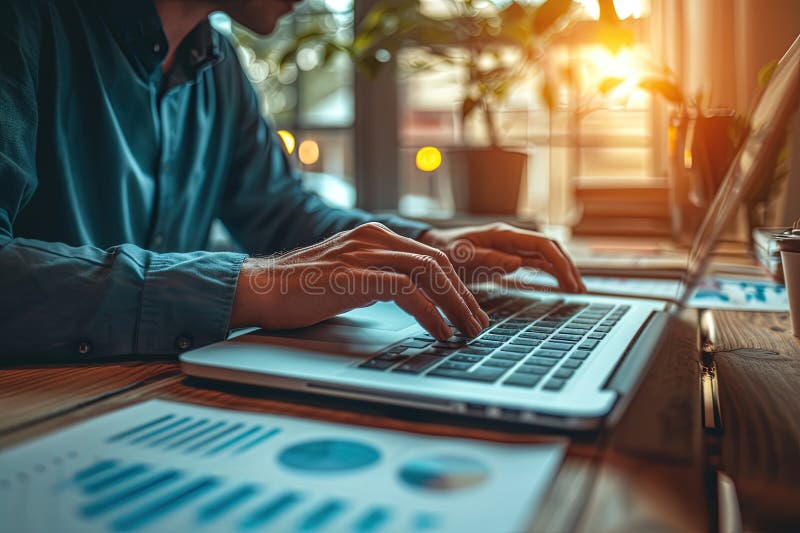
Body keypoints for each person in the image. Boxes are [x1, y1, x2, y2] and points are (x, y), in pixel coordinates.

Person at [0, 0, 585, 362]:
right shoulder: (24, 19)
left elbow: (282, 215)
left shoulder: (217, 67)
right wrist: (253, 287)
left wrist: (424, 246)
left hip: (147, 391)